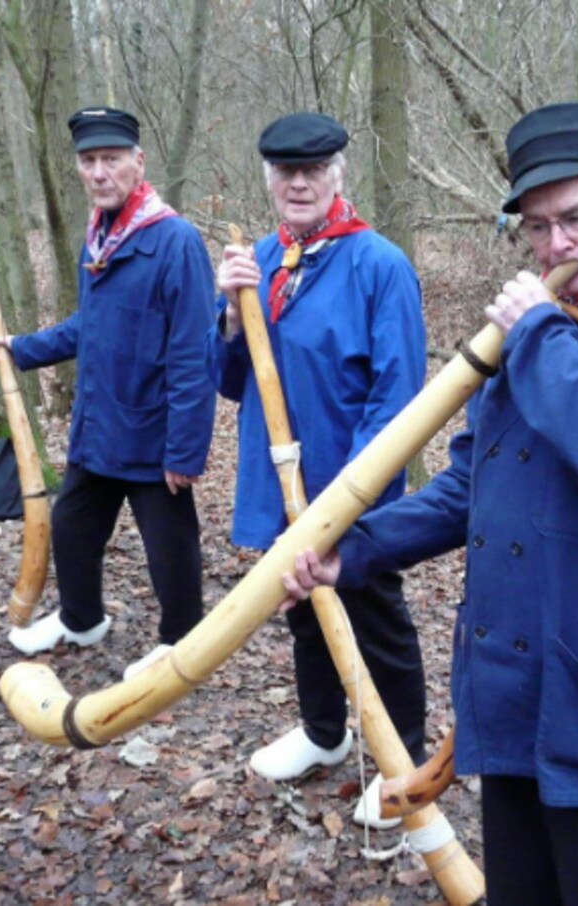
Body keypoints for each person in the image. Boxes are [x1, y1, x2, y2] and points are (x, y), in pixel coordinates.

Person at [281, 102, 578, 905]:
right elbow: (469, 488)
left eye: (577, 218)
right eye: (536, 227)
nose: (557, 245)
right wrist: (351, 550)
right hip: (509, 680)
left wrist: (539, 338)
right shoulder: (535, 331)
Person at [207, 113, 427, 829]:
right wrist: (230, 316)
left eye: (313, 171)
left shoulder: (379, 266)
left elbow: (396, 398)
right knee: (302, 609)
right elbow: (231, 381)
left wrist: (349, 501)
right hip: (278, 480)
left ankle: (406, 764)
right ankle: (324, 731)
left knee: (375, 618)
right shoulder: (260, 259)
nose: (298, 184)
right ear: (269, 179)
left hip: (351, 486)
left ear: (338, 174)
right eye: (285, 172)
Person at [0, 107, 216, 681]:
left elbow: (194, 354)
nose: (98, 172)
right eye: (88, 161)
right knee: (72, 528)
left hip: (152, 433)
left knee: (169, 547)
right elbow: (88, 327)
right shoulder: (99, 237)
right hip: (97, 426)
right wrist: (22, 348)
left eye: (111, 159)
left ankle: (181, 645)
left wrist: (185, 449)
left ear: (137, 162)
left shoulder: (174, 241)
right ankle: (81, 619)